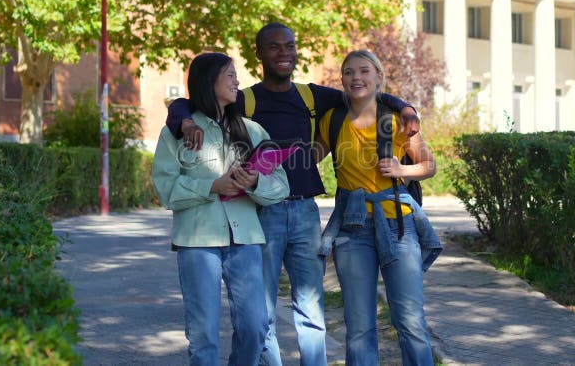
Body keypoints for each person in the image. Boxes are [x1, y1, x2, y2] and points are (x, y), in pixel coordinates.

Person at [165, 22, 421, 366]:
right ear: (259, 54)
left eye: (289, 46)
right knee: (262, 314)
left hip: (305, 213)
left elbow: (365, 91)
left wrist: (404, 106)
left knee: (311, 308)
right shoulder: (244, 99)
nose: (284, 53)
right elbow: (189, 100)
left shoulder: (310, 95)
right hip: (261, 213)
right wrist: (184, 121)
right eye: (274, 47)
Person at [152, 52, 290, 366]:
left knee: (256, 327)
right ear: (208, 80)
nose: (237, 81)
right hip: (197, 243)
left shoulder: (253, 132)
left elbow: (281, 185)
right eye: (229, 75)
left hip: (246, 241)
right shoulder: (177, 133)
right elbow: (165, 188)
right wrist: (212, 186)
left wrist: (255, 183)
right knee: (203, 336)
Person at [318, 50, 440, 366]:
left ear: (378, 77)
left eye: (364, 71)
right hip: (352, 230)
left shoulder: (399, 120)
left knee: (410, 321)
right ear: (342, 79)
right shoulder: (332, 121)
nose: (356, 77)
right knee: (358, 327)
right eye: (348, 72)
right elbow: (307, 157)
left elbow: (429, 165)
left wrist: (403, 171)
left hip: (399, 227)